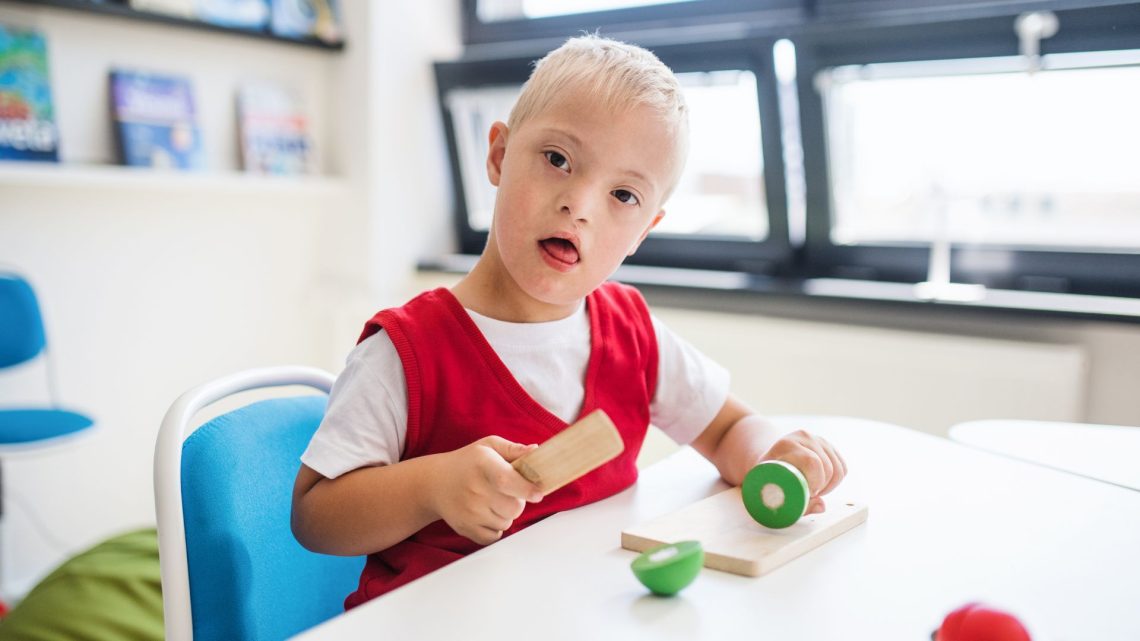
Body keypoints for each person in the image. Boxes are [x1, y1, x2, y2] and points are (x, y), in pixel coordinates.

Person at [291, 34, 847, 609]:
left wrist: (773, 454)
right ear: (499, 155)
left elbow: (729, 430)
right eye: (558, 160)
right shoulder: (405, 351)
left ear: (644, 231)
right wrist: (431, 487)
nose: (578, 205)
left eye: (623, 195)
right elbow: (315, 516)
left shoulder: (632, 332)